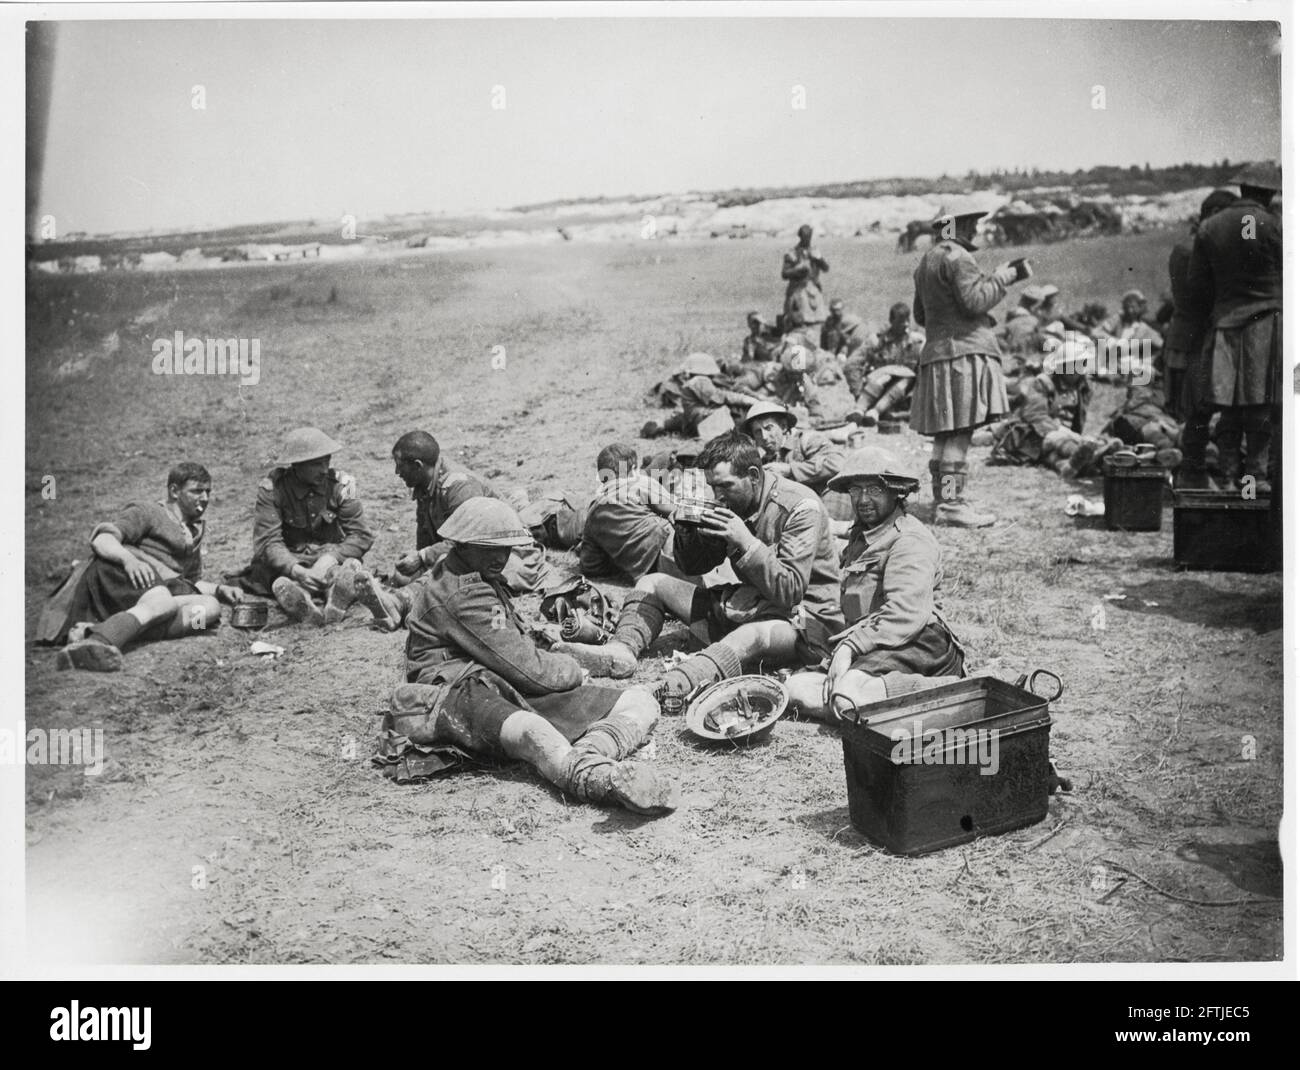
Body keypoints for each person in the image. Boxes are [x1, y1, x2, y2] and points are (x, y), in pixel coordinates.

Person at [359, 498, 677, 816]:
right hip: (454, 693)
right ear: (464, 544)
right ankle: (598, 779)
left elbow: (516, 660)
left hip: (497, 678)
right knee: (532, 734)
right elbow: (529, 670)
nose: (501, 556)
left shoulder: (468, 570)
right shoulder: (464, 594)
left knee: (639, 702)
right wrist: (574, 669)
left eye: (506, 547)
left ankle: (592, 749)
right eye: (490, 548)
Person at [554, 431, 844, 715]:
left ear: (754, 476)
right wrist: (688, 529)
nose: (719, 495)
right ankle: (621, 651)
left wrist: (745, 541)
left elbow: (790, 590)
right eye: (713, 487)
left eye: (726, 486)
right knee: (653, 583)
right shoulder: (735, 500)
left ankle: (672, 686)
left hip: (805, 620)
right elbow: (694, 567)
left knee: (750, 636)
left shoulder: (801, 507)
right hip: (752, 604)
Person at [783, 448, 966, 717]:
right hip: (876, 641)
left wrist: (849, 647)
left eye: (875, 490)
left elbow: (905, 614)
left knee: (847, 699)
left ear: (897, 492)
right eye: (856, 490)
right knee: (796, 690)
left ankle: (956, 690)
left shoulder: (910, 541)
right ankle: (871, 700)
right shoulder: (864, 535)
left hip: (920, 641)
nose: (863, 499)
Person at [45, 463, 243, 671]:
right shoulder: (148, 511)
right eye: (196, 491)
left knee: (207, 610)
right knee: (164, 602)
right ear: (174, 491)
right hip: (124, 575)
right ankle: (99, 642)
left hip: (159, 590)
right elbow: (102, 539)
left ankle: (99, 630)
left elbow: (190, 582)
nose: (204, 498)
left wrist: (220, 590)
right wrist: (129, 560)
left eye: (207, 492)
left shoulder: (193, 531)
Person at [911, 204, 1020, 526]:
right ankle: (952, 506)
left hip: (937, 355)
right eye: (971, 222)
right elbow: (975, 302)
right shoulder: (959, 257)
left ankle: (944, 501)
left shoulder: (926, 261)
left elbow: (920, 315)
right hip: (964, 356)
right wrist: (1001, 279)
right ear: (954, 225)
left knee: (945, 435)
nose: (975, 229)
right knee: (959, 434)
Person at [1181, 161, 1283, 494]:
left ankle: (1225, 474)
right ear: (1267, 193)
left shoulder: (1210, 228)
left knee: (1227, 403)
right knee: (1259, 402)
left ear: (1241, 189)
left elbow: (1197, 286)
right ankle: (1255, 477)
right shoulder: (1273, 225)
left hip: (1224, 324)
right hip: (1265, 324)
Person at [241, 427, 377, 626]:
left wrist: (328, 559)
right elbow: (268, 542)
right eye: (315, 464)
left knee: (342, 570)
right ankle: (305, 596)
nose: (323, 469)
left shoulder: (342, 485)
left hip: (330, 557)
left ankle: (333, 598)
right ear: (296, 465)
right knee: (273, 574)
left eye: (326, 461)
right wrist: (296, 570)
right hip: (292, 558)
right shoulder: (273, 489)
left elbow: (360, 535)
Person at [390, 430, 551, 594]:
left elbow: (470, 539)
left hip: (501, 552)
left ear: (418, 466)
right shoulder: (424, 483)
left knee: (450, 582)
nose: (397, 472)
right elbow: (426, 538)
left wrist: (423, 557)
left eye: (400, 465)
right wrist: (418, 557)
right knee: (403, 576)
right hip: (467, 552)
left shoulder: (459, 486)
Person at [1164, 190, 1238, 420]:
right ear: (1215, 214)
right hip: (1193, 345)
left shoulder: (1189, 246)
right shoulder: (1194, 250)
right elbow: (1206, 300)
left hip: (1186, 341)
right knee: (1193, 422)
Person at [578, 443, 677, 583]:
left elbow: (590, 565)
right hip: (668, 547)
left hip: (645, 570)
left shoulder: (594, 510)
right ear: (633, 469)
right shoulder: (641, 484)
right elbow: (676, 510)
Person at [642, 352, 761, 439]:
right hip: (706, 419)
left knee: (680, 420)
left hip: (695, 418)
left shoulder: (692, 382)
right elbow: (720, 396)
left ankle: (660, 424)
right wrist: (746, 399)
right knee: (741, 417)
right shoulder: (699, 381)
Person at [743, 400, 845, 500]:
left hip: (829, 496)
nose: (764, 437)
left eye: (768, 428)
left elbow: (837, 463)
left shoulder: (807, 440)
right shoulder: (766, 461)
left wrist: (790, 470)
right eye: (757, 432)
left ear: (783, 427)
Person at [846, 302, 927, 426]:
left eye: (907, 320)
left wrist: (916, 399)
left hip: (904, 395)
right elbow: (852, 364)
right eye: (900, 321)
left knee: (905, 379)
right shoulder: (877, 341)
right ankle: (859, 409)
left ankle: (875, 413)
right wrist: (858, 392)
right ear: (891, 320)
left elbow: (926, 370)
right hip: (875, 389)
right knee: (882, 378)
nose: (905, 324)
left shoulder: (917, 342)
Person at [782, 224, 830, 332]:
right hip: (798, 291)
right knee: (800, 321)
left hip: (813, 291)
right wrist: (797, 270)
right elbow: (784, 273)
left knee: (819, 320)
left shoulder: (815, 251)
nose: (807, 239)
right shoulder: (792, 253)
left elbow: (826, 268)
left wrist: (818, 259)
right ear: (801, 237)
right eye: (805, 237)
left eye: (809, 237)